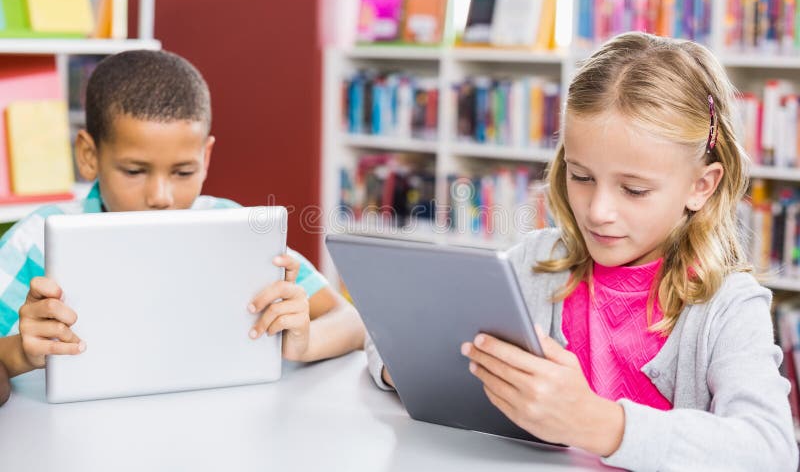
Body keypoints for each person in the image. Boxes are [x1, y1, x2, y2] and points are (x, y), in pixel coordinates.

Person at [367, 32, 798, 470]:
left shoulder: (726, 305)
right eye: (582, 176)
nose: (599, 211)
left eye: (634, 189)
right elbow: (394, 340)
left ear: (700, 186)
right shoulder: (536, 264)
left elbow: (772, 451)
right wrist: (404, 367)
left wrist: (599, 424)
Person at [0, 49, 365, 387]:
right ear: (88, 155)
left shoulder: (234, 231)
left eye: (183, 172)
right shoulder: (35, 240)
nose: (161, 197)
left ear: (205, 158)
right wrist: (19, 353)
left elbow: (350, 320)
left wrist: (303, 342)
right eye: (133, 171)